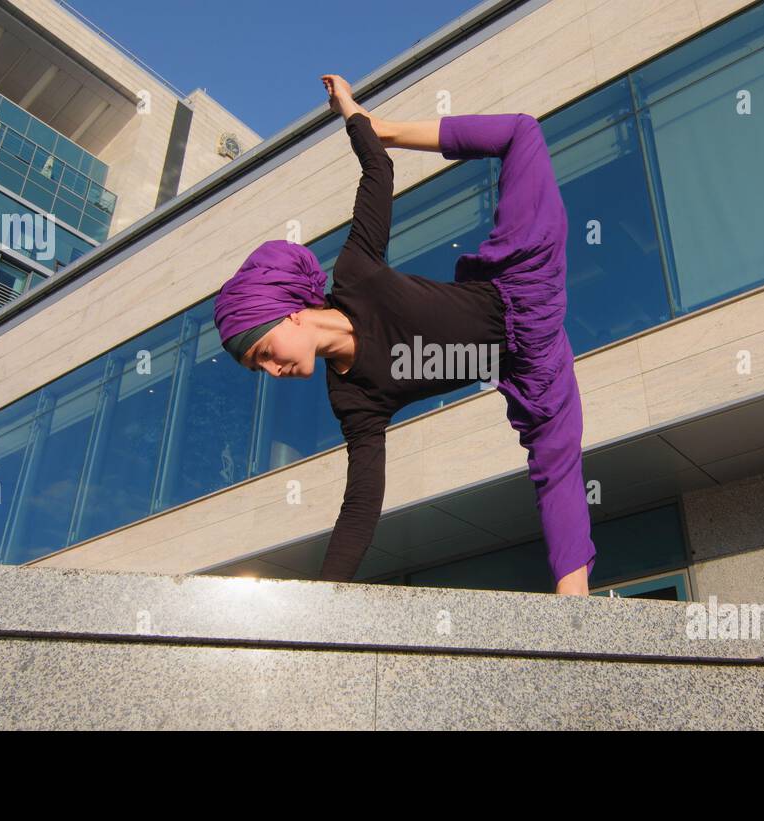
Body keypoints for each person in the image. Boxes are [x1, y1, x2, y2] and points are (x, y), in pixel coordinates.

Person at [213, 74, 595, 595]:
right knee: (557, 457)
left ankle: (388, 124)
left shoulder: (356, 273)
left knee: (522, 134)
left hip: (522, 288)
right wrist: (324, 601)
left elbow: (377, 169)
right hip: (529, 364)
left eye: (263, 353)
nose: (270, 370)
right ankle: (576, 605)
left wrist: (359, 118)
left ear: (290, 314)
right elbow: (362, 504)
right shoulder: (353, 398)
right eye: (259, 367)